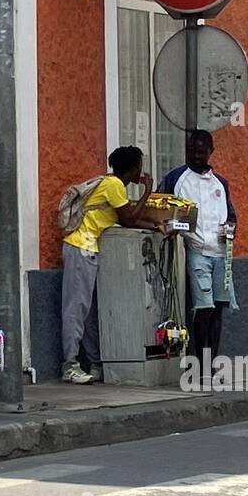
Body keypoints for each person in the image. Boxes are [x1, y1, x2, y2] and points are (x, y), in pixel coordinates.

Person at [60, 146, 161, 385]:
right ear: (133, 168)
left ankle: (95, 363)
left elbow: (127, 218)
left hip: (88, 249)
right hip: (80, 248)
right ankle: (70, 365)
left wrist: (157, 226)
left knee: (89, 311)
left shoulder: (113, 186)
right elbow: (129, 219)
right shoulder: (114, 185)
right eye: (140, 166)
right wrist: (147, 191)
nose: (142, 171)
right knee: (76, 310)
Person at [160, 129, 238, 381]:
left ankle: (212, 362)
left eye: (202, 151)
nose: (197, 155)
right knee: (202, 309)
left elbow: (231, 215)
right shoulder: (177, 179)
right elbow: (161, 208)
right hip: (195, 252)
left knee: (218, 310)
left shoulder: (220, 183)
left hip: (221, 254)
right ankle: (200, 363)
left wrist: (230, 228)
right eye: (193, 150)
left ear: (211, 152)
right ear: (187, 150)